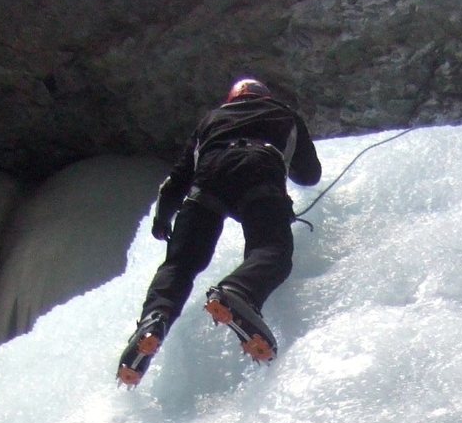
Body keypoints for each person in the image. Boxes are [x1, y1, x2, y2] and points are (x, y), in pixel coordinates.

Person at [117, 77, 322, 385]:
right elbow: (309, 175)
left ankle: (154, 319)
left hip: (208, 180)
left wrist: (163, 217)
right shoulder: (283, 114)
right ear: (264, 97)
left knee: (180, 265)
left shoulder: (211, 120)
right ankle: (238, 292)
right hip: (259, 172)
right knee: (271, 251)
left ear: (231, 99)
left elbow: (179, 176)